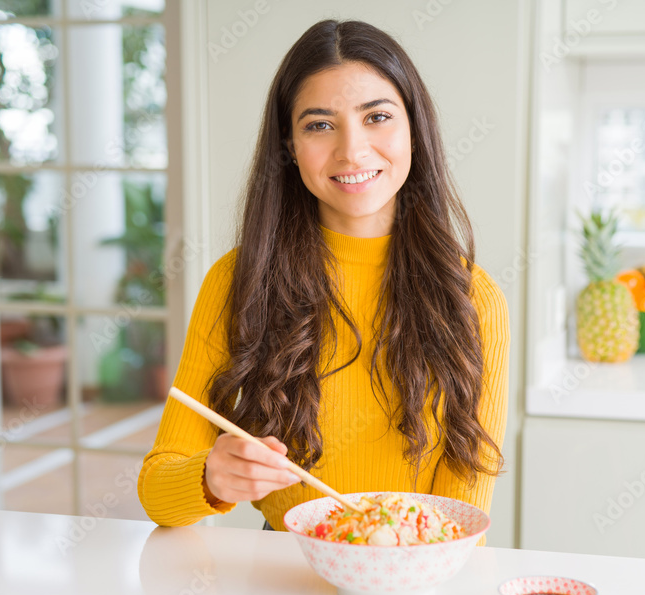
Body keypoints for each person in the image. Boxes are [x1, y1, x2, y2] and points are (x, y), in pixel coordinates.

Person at [138, 19, 509, 544]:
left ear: (413, 129)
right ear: (289, 145)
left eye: (377, 117)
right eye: (319, 125)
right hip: (281, 578)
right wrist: (210, 478)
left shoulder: (473, 297)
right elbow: (157, 490)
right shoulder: (237, 280)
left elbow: (462, 514)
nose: (352, 151)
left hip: (420, 568)